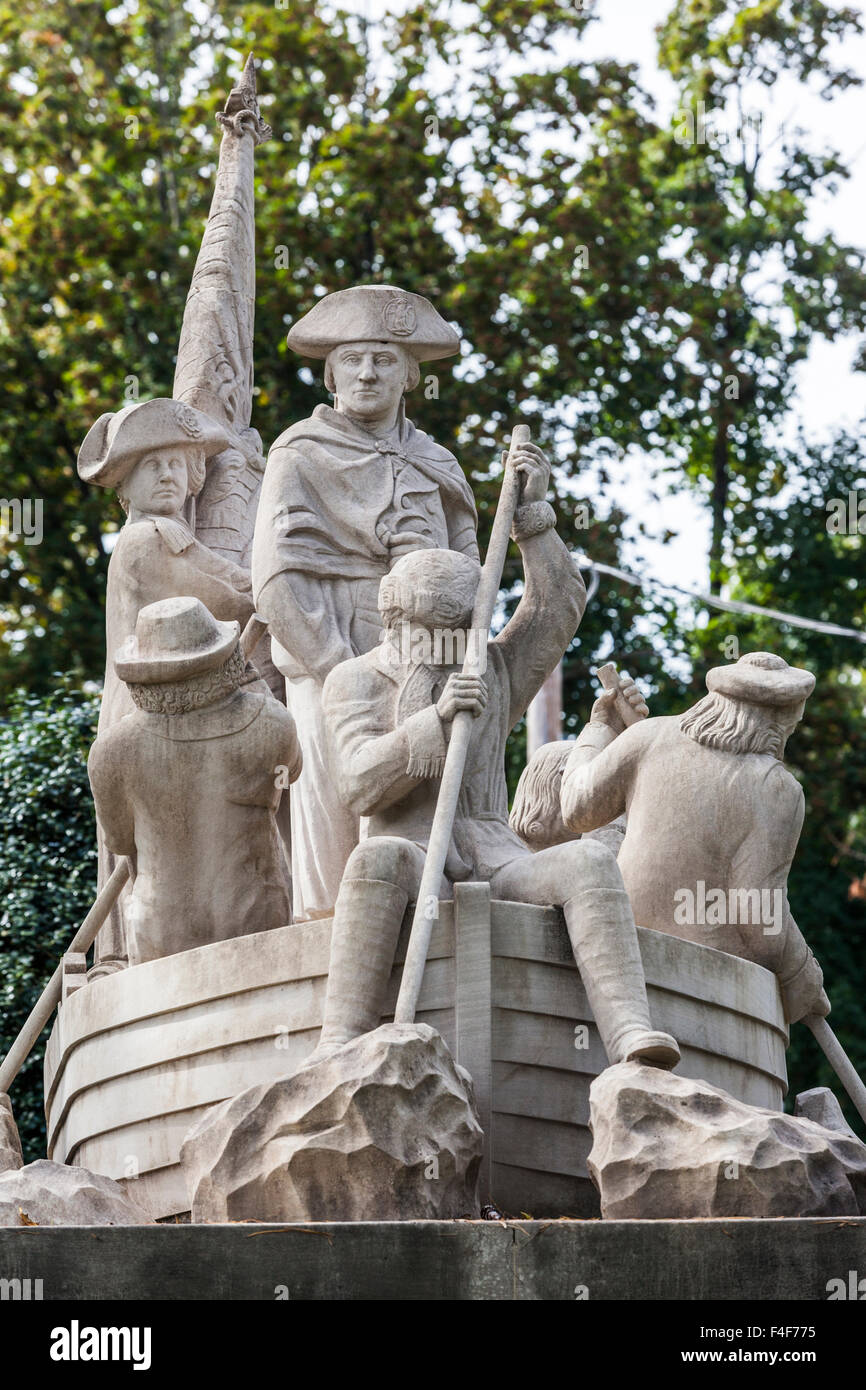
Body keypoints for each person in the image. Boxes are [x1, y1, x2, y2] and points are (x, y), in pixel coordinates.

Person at [309, 454, 680, 1070]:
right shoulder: (355, 681)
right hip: (410, 848)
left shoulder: (494, 669)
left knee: (587, 860)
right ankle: (339, 1039)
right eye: (433, 632)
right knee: (374, 857)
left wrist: (532, 520)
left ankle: (630, 1035)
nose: (451, 647)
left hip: (494, 852)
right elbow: (356, 784)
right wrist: (430, 723)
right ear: (395, 622)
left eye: (462, 630)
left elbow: (557, 608)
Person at [251, 285, 479, 921]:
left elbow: (472, 583)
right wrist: (335, 671)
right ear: (330, 373)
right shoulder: (299, 452)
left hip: (431, 656)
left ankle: (427, 925)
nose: (368, 372)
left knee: (435, 802)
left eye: (383, 358)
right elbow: (272, 578)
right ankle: (328, 947)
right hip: (327, 638)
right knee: (336, 808)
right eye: (353, 359)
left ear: (409, 373)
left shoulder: (437, 462)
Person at [77, 397, 258, 971]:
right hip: (143, 708)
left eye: (177, 464)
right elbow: (220, 598)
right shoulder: (142, 540)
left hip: (174, 707)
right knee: (142, 830)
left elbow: (228, 575)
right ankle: (123, 948)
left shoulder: (170, 532)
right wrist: (265, 598)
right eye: (151, 465)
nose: (166, 475)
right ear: (123, 484)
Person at [559, 651, 830, 1023]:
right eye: (791, 727)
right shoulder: (776, 787)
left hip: (614, 958)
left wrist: (599, 729)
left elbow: (575, 806)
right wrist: (802, 973)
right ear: (778, 720)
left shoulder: (648, 735)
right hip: (707, 984)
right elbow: (758, 916)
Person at [87, 596, 301, 966]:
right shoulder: (271, 723)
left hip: (160, 936)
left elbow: (120, 841)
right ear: (223, 655)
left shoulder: (110, 749)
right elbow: (290, 773)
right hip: (255, 921)